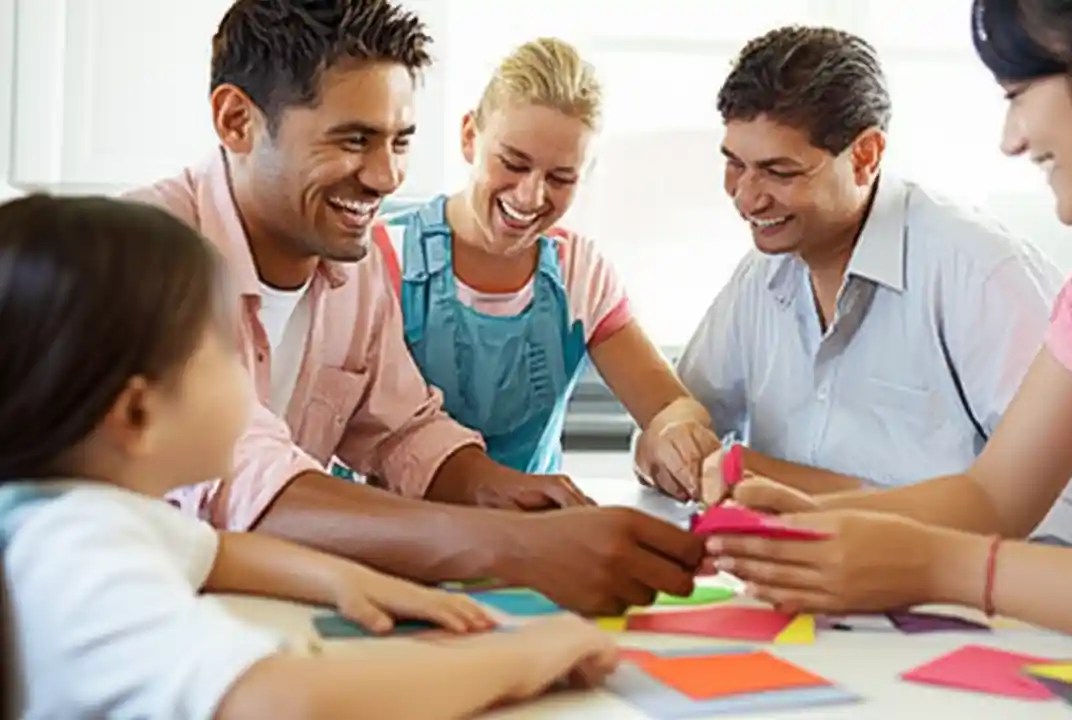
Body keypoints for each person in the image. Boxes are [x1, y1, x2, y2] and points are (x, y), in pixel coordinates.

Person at [705, 0, 1072, 667]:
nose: (1012, 138)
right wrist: (811, 527)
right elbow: (991, 497)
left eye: (1020, 93)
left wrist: (947, 567)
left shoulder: (978, 262)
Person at [126, 0, 702, 616]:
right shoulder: (136, 255)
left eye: (400, 141)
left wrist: (509, 495)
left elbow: (404, 429)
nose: (388, 177)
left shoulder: (352, 260)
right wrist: (511, 547)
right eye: (355, 140)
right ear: (237, 120)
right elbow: (238, 476)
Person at [0, 194, 621, 719]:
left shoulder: (69, 511)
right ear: (136, 414)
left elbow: (215, 552)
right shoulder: (78, 552)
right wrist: (523, 659)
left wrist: (345, 579)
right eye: (223, 350)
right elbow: (280, 701)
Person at [663, 25, 1072, 545]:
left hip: (967, 605)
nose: (747, 199)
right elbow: (686, 420)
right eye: (734, 165)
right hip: (806, 594)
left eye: (779, 171)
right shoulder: (763, 275)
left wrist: (793, 489)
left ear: (866, 156)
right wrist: (669, 440)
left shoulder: (978, 273)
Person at [377, 37, 719, 498]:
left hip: (529, 544)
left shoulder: (580, 274)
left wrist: (677, 433)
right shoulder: (381, 256)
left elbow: (668, 407)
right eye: (513, 163)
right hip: (389, 537)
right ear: (468, 137)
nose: (530, 196)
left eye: (561, 178)